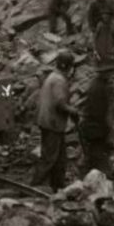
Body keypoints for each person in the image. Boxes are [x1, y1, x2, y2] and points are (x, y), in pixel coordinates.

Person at [31, 51, 76, 191]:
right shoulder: (58, 80)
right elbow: (60, 103)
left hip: (50, 121)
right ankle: (35, 186)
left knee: (60, 157)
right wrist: (74, 111)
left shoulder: (53, 76)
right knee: (49, 157)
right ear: (68, 67)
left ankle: (58, 186)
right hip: (52, 123)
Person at [79, 64, 114, 176]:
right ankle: (104, 178)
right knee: (98, 157)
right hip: (96, 128)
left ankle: (86, 177)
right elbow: (106, 113)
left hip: (92, 127)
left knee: (92, 156)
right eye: (110, 72)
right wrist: (111, 131)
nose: (112, 75)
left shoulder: (96, 84)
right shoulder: (102, 87)